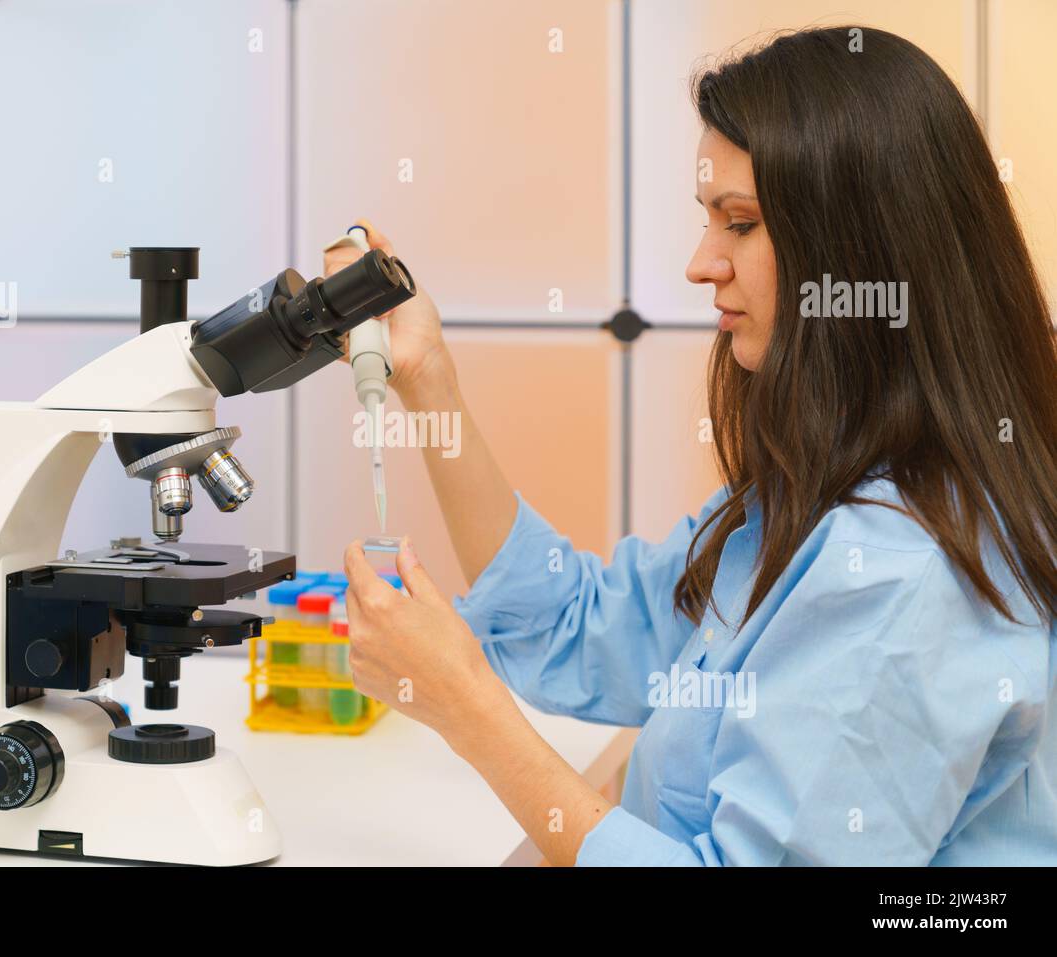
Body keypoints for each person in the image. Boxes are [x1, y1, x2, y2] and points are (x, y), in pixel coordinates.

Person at [330, 26, 1057, 866]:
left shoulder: (899, 571)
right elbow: (571, 625)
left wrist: (469, 710)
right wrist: (427, 378)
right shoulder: (807, 498)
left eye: (739, 224)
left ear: (857, 248)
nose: (699, 262)